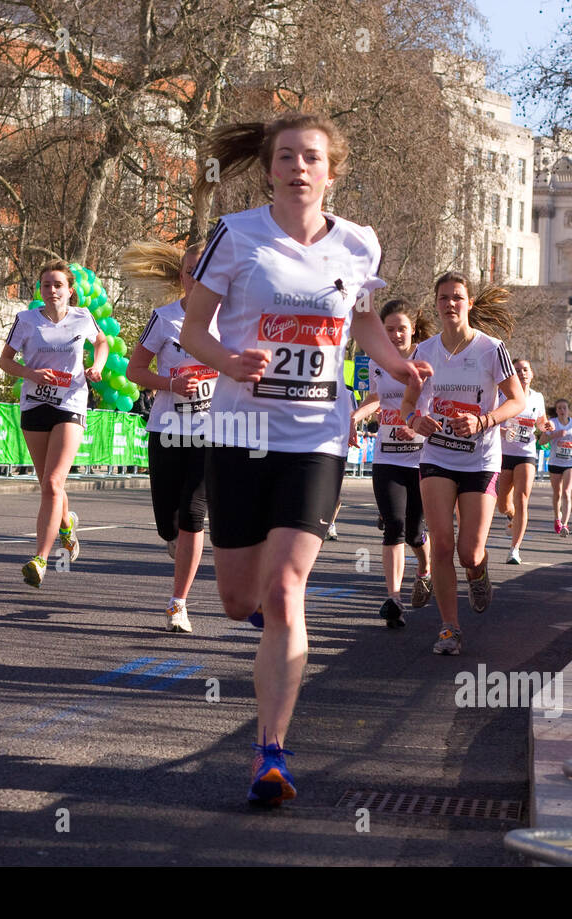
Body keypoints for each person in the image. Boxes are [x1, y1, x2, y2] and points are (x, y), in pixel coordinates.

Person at [179, 113, 423, 806]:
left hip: (316, 435)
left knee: (287, 591)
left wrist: (400, 367)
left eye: (311, 157)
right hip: (238, 433)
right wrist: (231, 359)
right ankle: (264, 631)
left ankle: (271, 754)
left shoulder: (358, 244)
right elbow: (194, 327)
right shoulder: (236, 234)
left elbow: (364, 321)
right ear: (269, 168)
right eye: (286, 157)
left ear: (332, 171)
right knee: (236, 601)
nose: (298, 168)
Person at [401, 273, 525, 656]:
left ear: (469, 303)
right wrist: (414, 421)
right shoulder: (423, 352)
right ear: (436, 304)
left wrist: (483, 420)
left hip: (481, 458)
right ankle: (449, 629)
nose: (451, 304)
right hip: (437, 455)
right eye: (444, 298)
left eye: (458, 297)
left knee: (469, 550)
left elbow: (517, 401)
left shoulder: (491, 349)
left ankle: (478, 570)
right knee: (441, 543)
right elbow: (407, 405)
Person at [0, 260, 108, 587]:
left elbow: (101, 343)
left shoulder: (82, 317)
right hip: (35, 403)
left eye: (58, 285)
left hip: (71, 402)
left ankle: (41, 559)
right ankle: (66, 527)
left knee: (52, 482)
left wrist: (97, 366)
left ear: (69, 290)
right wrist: (30, 373)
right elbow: (5, 361)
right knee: (49, 483)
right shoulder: (26, 320)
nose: (51, 291)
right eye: (46, 285)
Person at [123, 238, 212, 633]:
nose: (198, 279)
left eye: (206, 271)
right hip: (167, 429)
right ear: (183, 277)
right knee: (168, 522)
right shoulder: (164, 318)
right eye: (192, 272)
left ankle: (179, 603)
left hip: (212, 432)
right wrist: (170, 383)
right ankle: (175, 542)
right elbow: (134, 371)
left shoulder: (232, 321)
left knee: (195, 513)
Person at [351, 300, 434, 626]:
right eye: (389, 329)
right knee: (394, 526)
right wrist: (354, 416)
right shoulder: (375, 361)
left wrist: (413, 421)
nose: (396, 334)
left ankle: (425, 569)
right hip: (386, 456)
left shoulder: (427, 361)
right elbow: (376, 399)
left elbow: (436, 405)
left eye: (402, 328)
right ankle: (393, 599)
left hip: (422, 458)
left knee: (415, 533)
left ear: (412, 329)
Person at [496, 358, 547, 564]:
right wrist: (502, 430)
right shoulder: (502, 395)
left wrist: (546, 427)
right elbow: (492, 421)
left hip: (526, 453)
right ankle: (511, 516)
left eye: (525, 369)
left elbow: (541, 422)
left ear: (531, 373)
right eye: (517, 370)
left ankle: (514, 549)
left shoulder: (537, 397)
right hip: (503, 454)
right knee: (502, 505)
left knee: (522, 498)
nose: (522, 373)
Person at [538, 398, 572, 537]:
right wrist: (555, 434)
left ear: (568, 410)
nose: (562, 410)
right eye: (559, 408)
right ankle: (557, 518)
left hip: (571, 462)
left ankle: (565, 524)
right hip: (555, 462)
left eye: (564, 408)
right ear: (556, 410)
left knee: (566, 492)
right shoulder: (551, 423)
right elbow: (541, 441)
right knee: (557, 493)